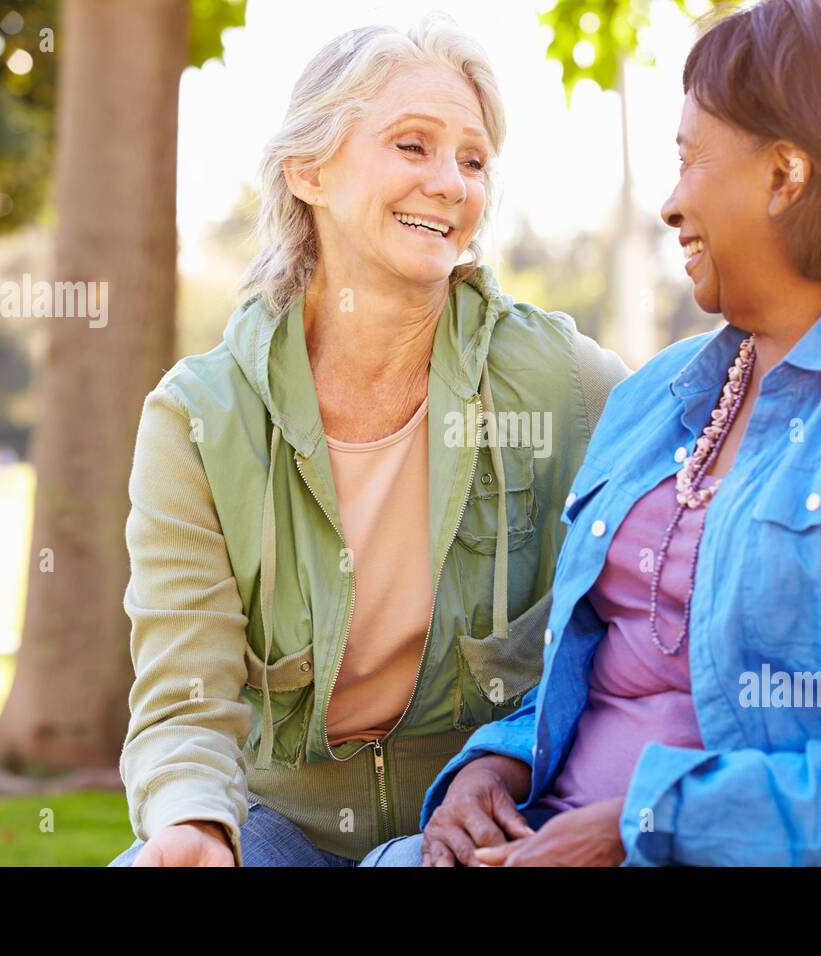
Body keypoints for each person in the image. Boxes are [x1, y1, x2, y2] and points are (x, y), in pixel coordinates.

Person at [366, 0, 821, 867]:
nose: (670, 203)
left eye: (689, 160)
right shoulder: (662, 395)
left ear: (786, 174)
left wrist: (651, 825)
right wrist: (491, 767)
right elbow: (620, 664)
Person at [107, 16, 629, 867]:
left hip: (470, 820)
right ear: (308, 171)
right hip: (272, 822)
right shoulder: (198, 419)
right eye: (413, 145)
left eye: (472, 159)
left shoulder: (568, 384)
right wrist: (195, 825)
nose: (451, 184)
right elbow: (185, 697)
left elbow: (656, 582)